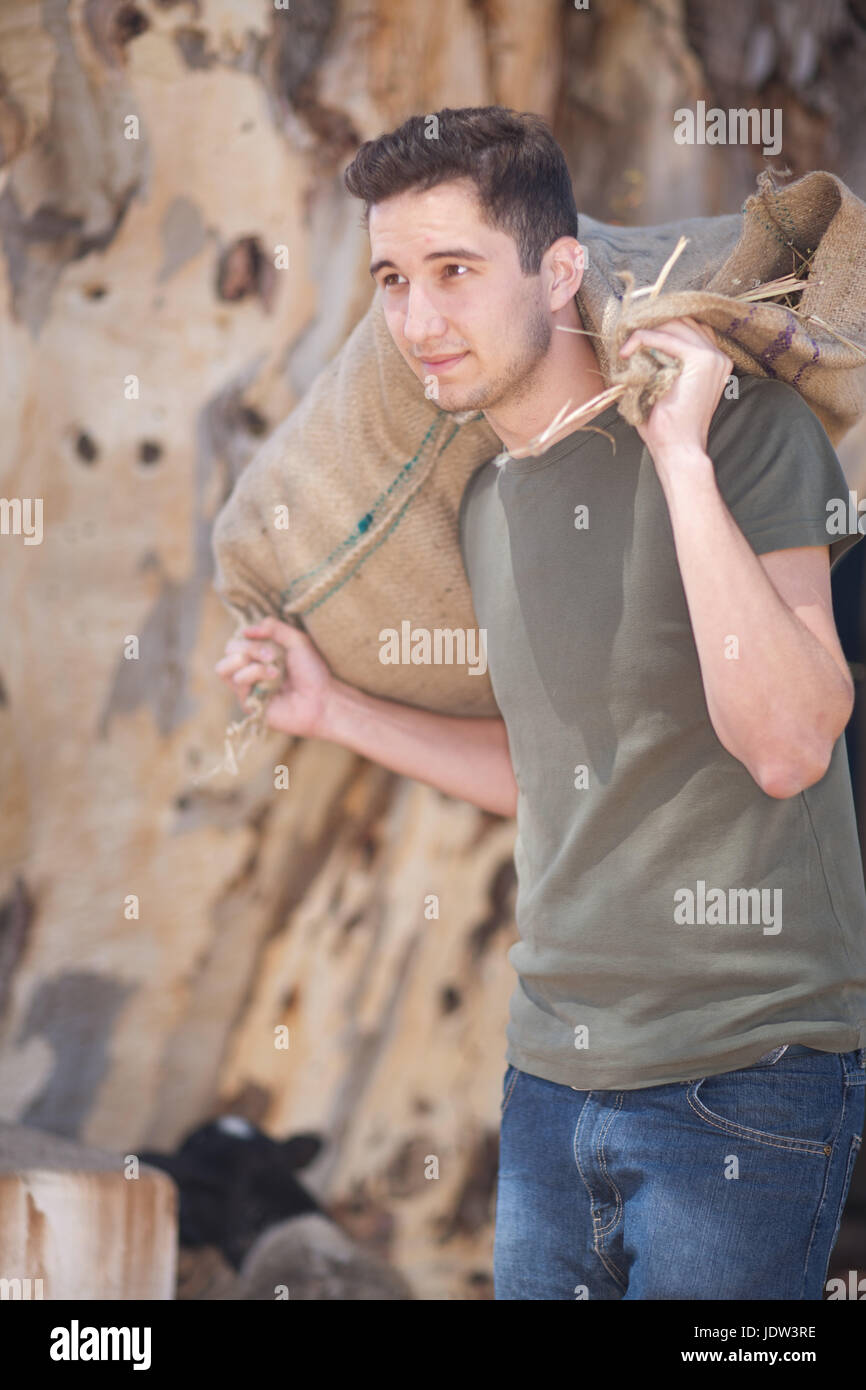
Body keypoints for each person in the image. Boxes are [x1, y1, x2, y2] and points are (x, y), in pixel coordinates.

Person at [215, 106, 866, 1300]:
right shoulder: (487, 508)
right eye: (394, 280)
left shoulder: (748, 437)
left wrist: (677, 461)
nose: (417, 320)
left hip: (739, 1071)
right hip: (549, 1075)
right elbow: (549, 774)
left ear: (559, 268)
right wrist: (332, 713)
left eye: (454, 271)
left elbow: (785, 743)